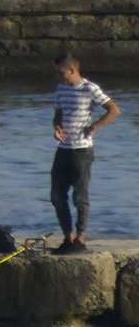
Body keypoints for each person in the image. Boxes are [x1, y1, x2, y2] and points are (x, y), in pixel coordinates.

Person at [52, 55, 120, 252]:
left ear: (72, 70)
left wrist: (95, 126)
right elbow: (58, 114)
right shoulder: (61, 89)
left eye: (61, 72)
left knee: (79, 196)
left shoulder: (89, 88)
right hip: (63, 149)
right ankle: (68, 237)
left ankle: (80, 239)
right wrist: (56, 127)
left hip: (82, 150)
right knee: (57, 195)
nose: (59, 75)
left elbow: (114, 110)